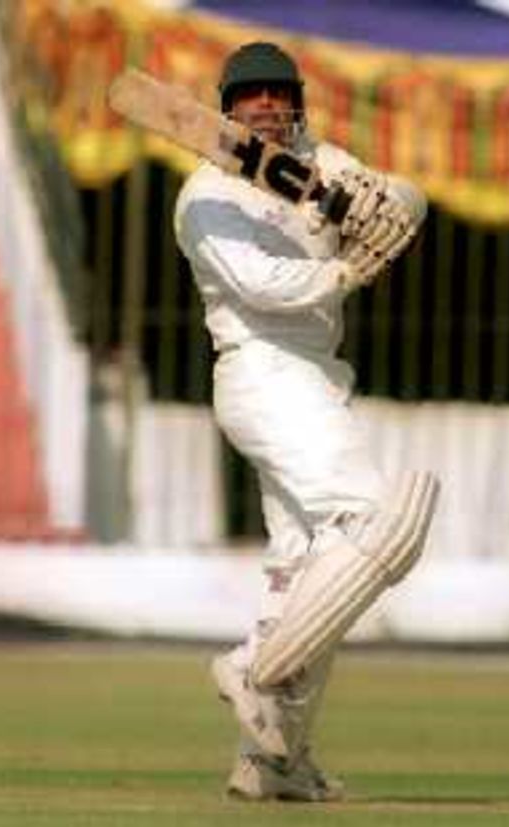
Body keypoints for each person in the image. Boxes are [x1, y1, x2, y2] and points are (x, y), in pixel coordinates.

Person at [173, 42, 435, 801]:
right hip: (262, 369)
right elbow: (264, 287)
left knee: (312, 568)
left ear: (296, 102)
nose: (264, 106)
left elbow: (403, 199)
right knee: (374, 519)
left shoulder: (321, 165)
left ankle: (273, 759)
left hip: (316, 374)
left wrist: (386, 211)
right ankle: (253, 663)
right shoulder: (207, 196)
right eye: (249, 95)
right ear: (226, 109)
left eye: (276, 94)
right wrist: (349, 269)